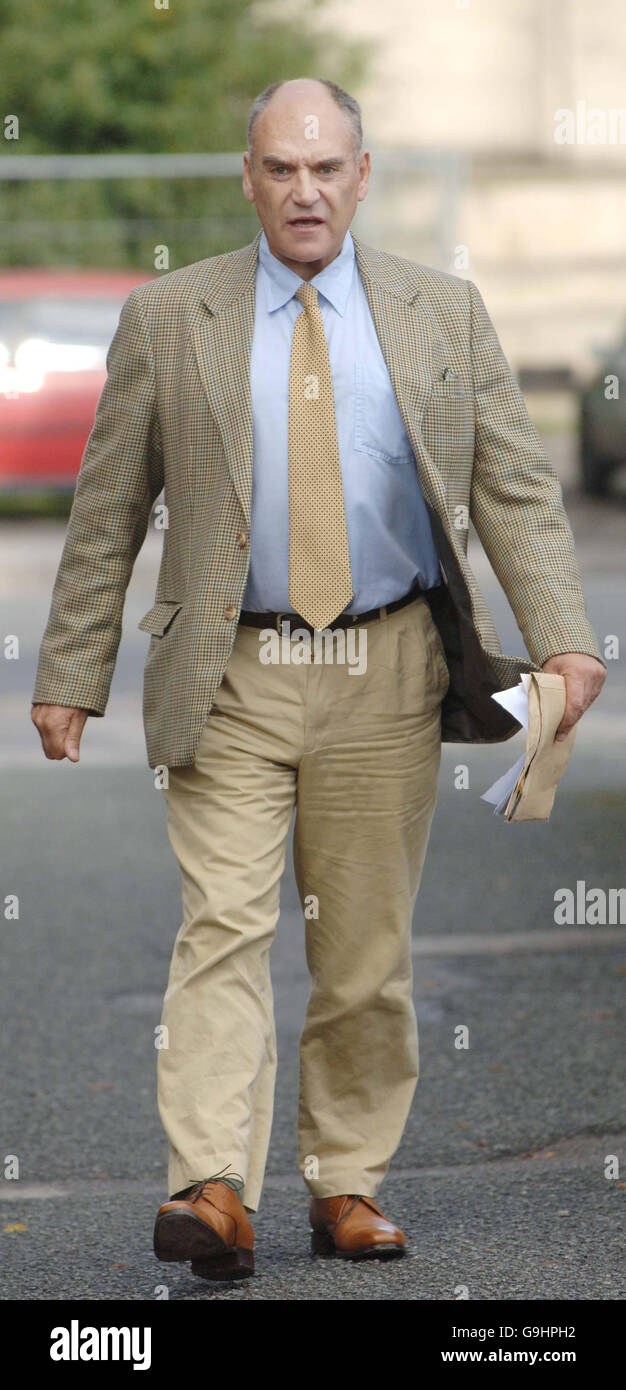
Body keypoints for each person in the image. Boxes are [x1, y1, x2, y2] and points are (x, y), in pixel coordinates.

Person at [31, 77, 606, 1281]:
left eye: (324, 168)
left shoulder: (438, 312)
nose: (303, 190)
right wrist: (72, 668)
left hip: (386, 664)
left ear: (359, 175)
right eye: (279, 169)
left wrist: (563, 637)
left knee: (362, 952)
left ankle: (345, 1182)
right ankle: (211, 1184)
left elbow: (510, 484)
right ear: (248, 179)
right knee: (223, 926)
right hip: (229, 667)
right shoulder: (168, 315)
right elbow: (107, 509)